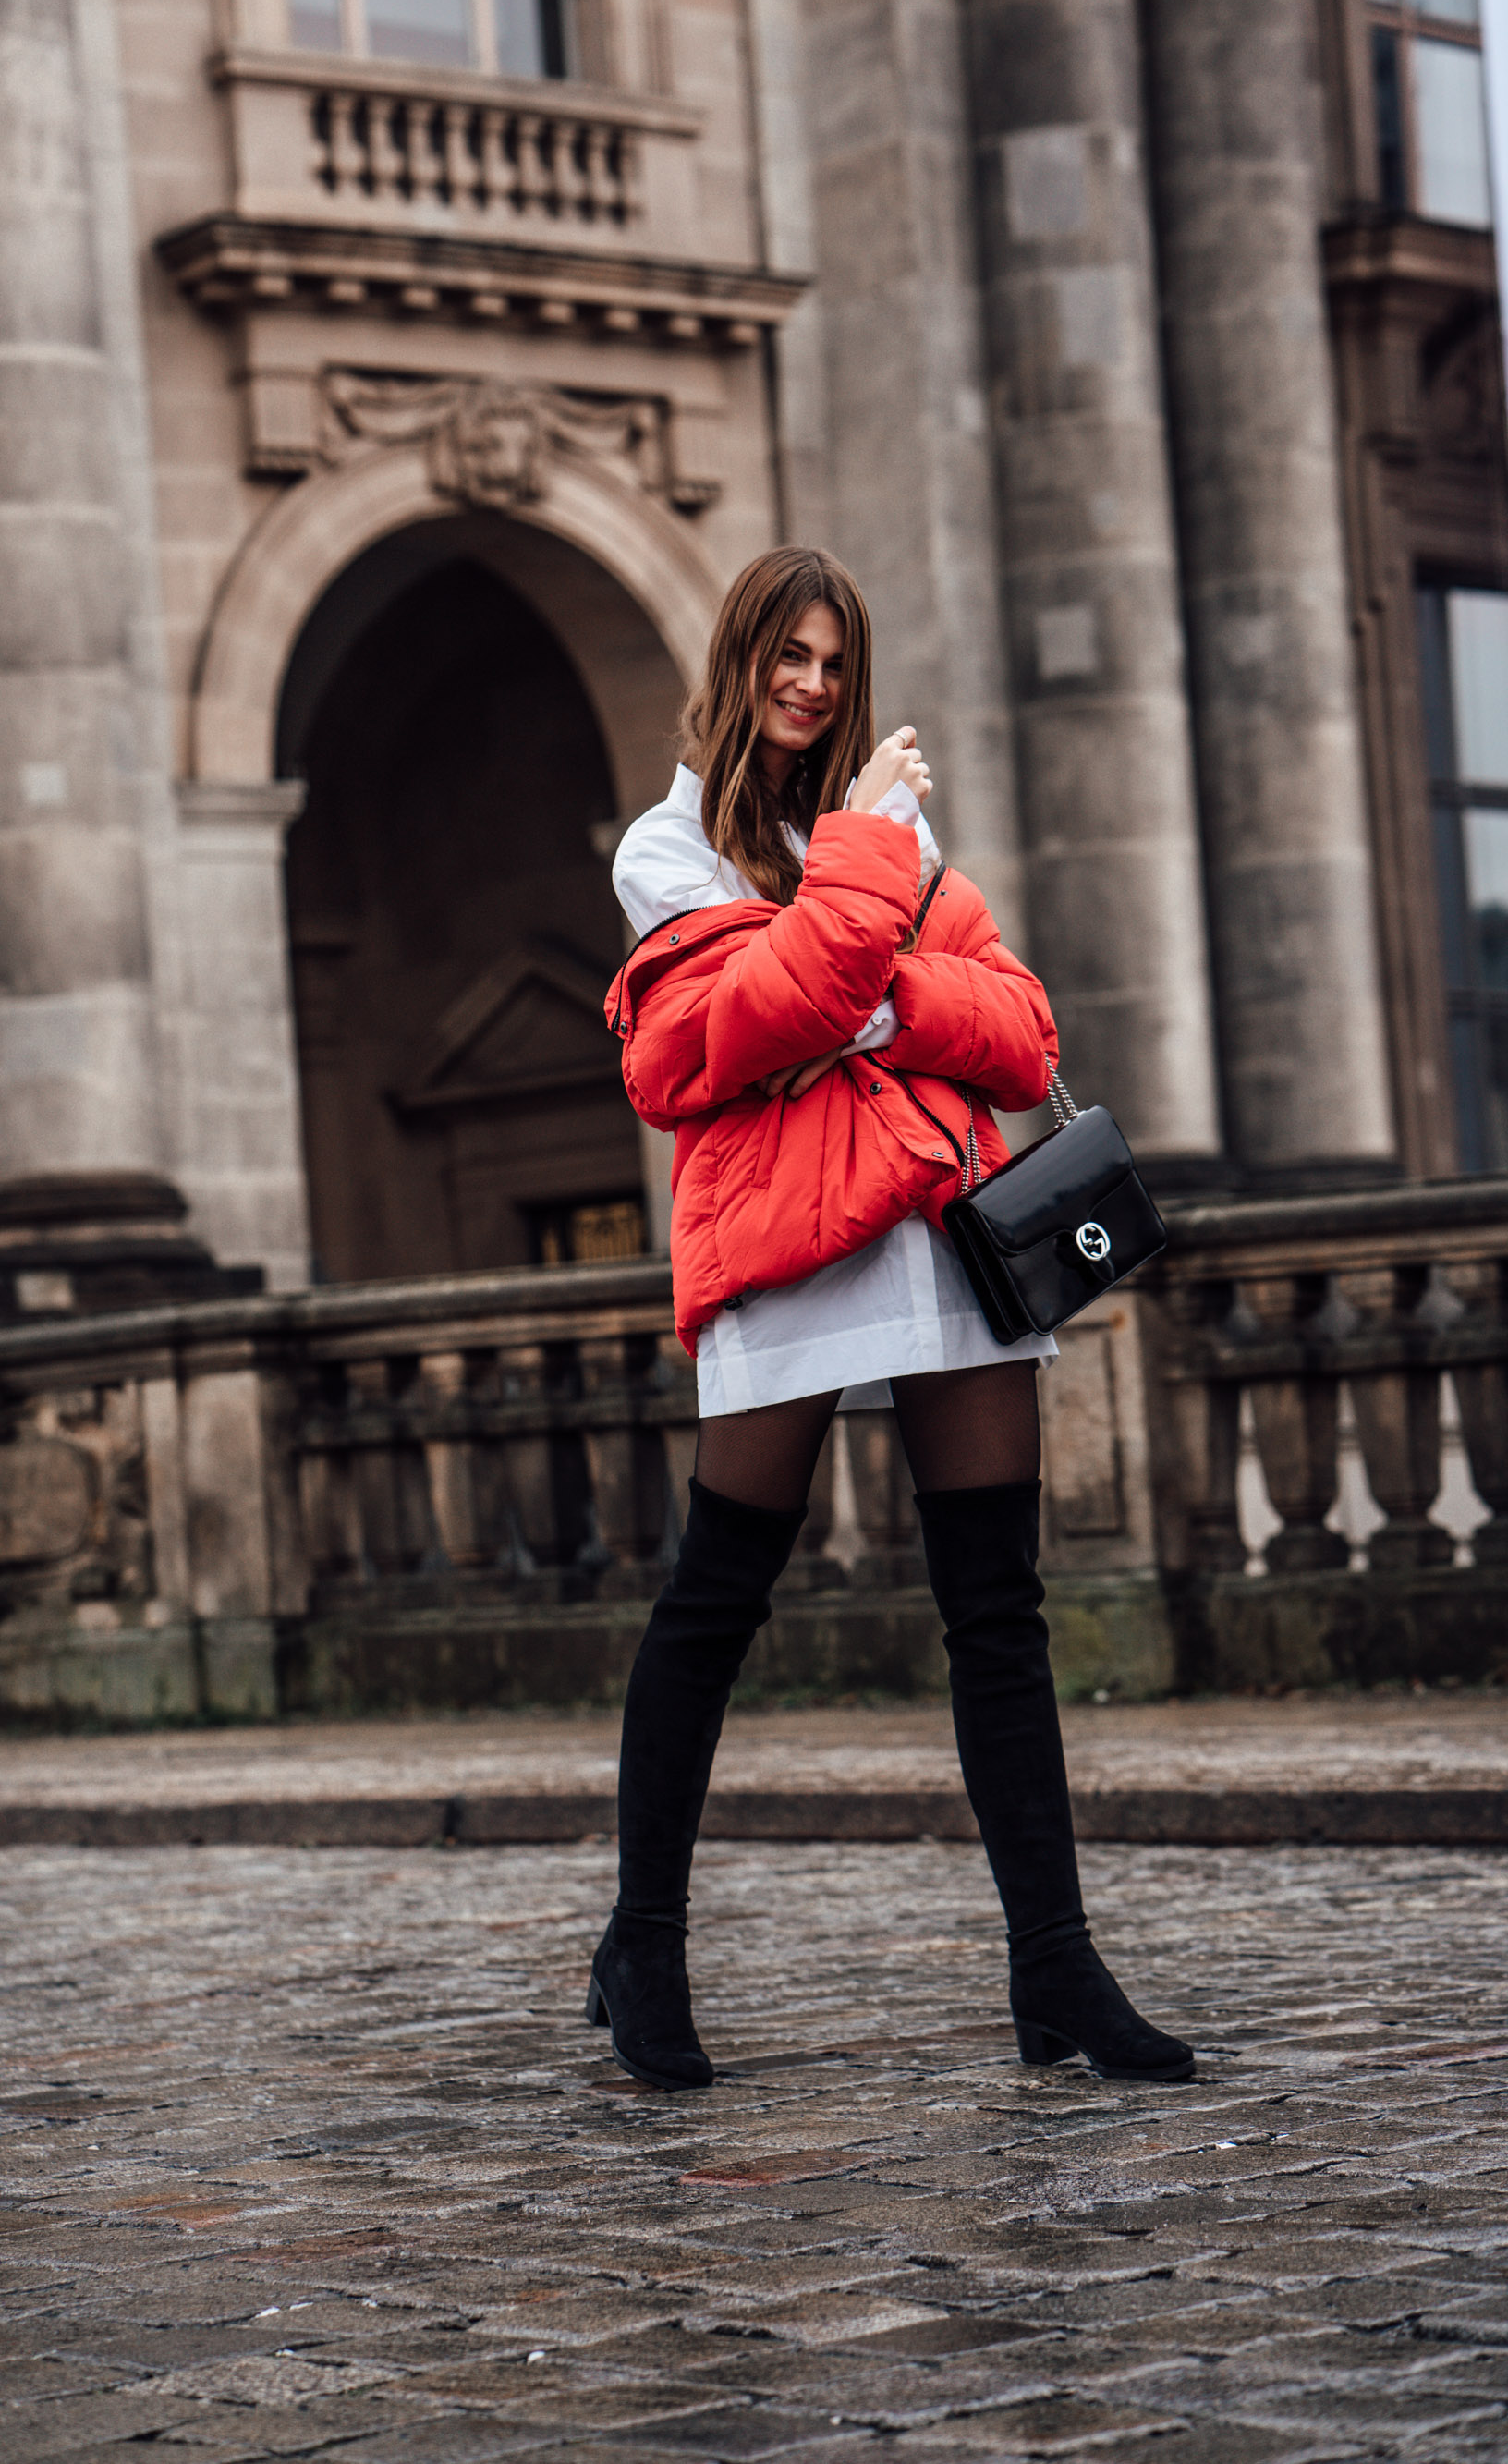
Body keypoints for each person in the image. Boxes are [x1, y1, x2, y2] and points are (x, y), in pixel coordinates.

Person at [587, 544, 1192, 2092]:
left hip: (941, 1238)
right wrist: (864, 896)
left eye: (835, 662)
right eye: (787, 654)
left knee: (999, 1609)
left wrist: (876, 983)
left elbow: (1019, 1030)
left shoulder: (881, 836)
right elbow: (750, 1026)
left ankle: (1055, 1967)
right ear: (737, 661)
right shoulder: (668, 854)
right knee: (717, 1600)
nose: (812, 684)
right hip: (793, 1249)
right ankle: (642, 1939)